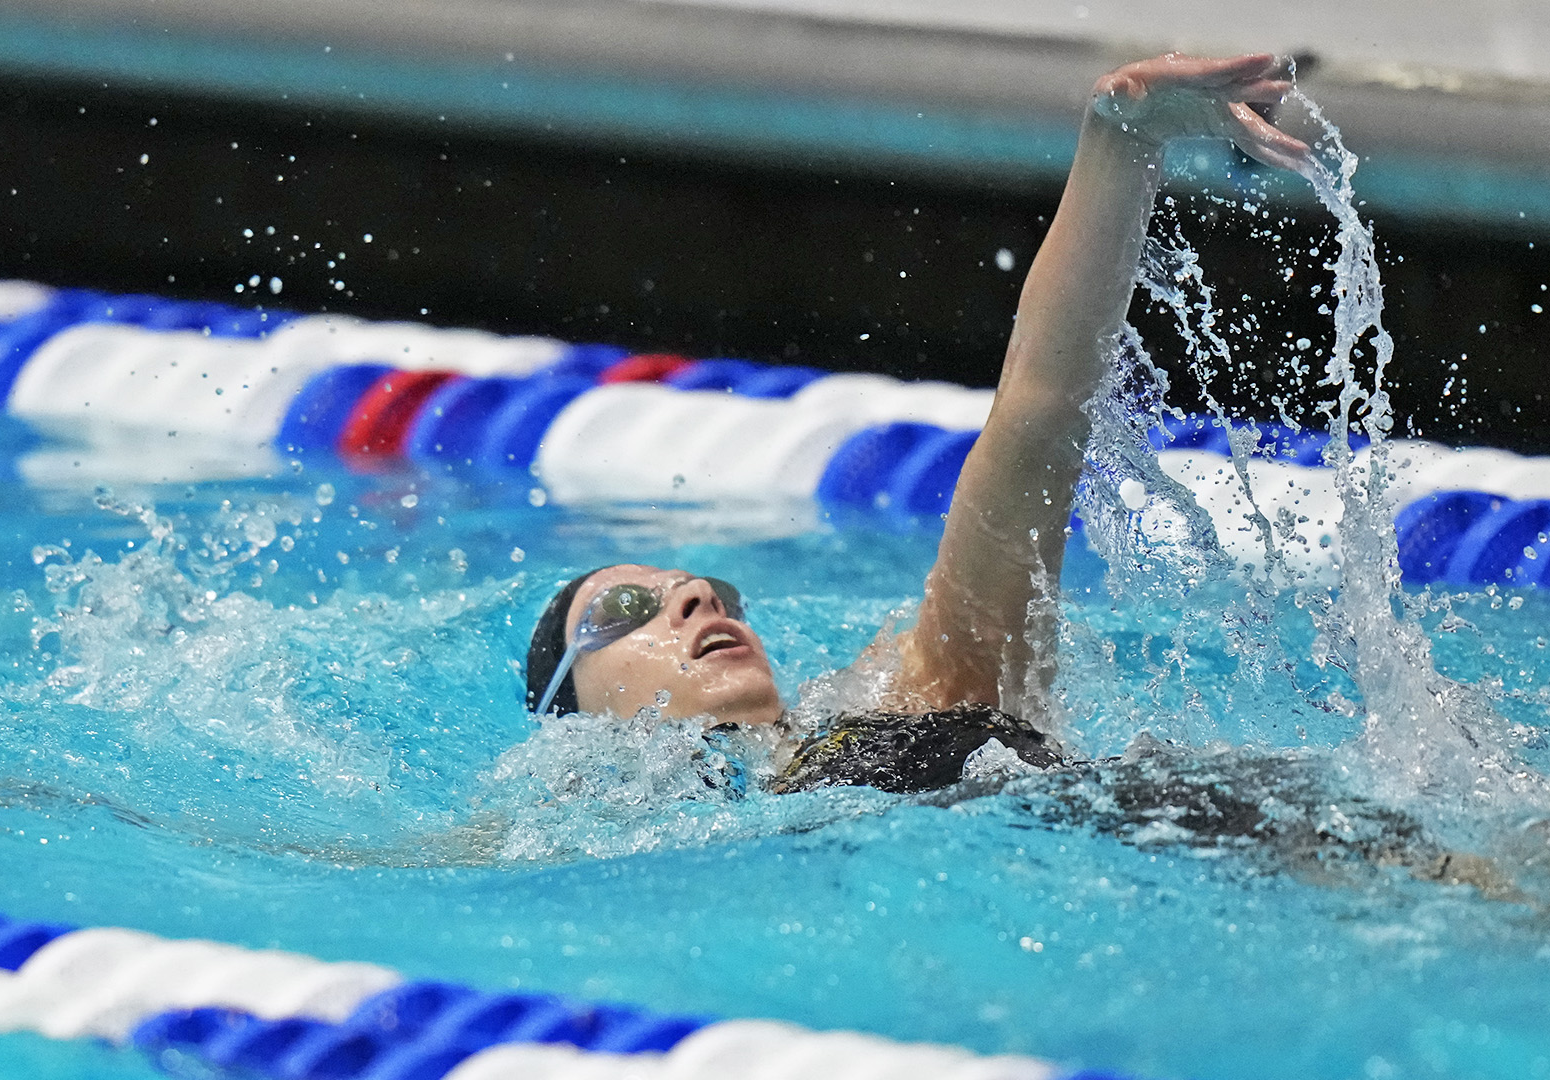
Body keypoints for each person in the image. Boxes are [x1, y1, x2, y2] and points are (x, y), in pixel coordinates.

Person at [523, 52, 1311, 794]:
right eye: (627, 610)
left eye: (713, 592)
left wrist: (1121, 141)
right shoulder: (611, 852)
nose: (698, 596)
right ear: (572, 724)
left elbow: (1039, 415)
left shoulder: (899, 703)